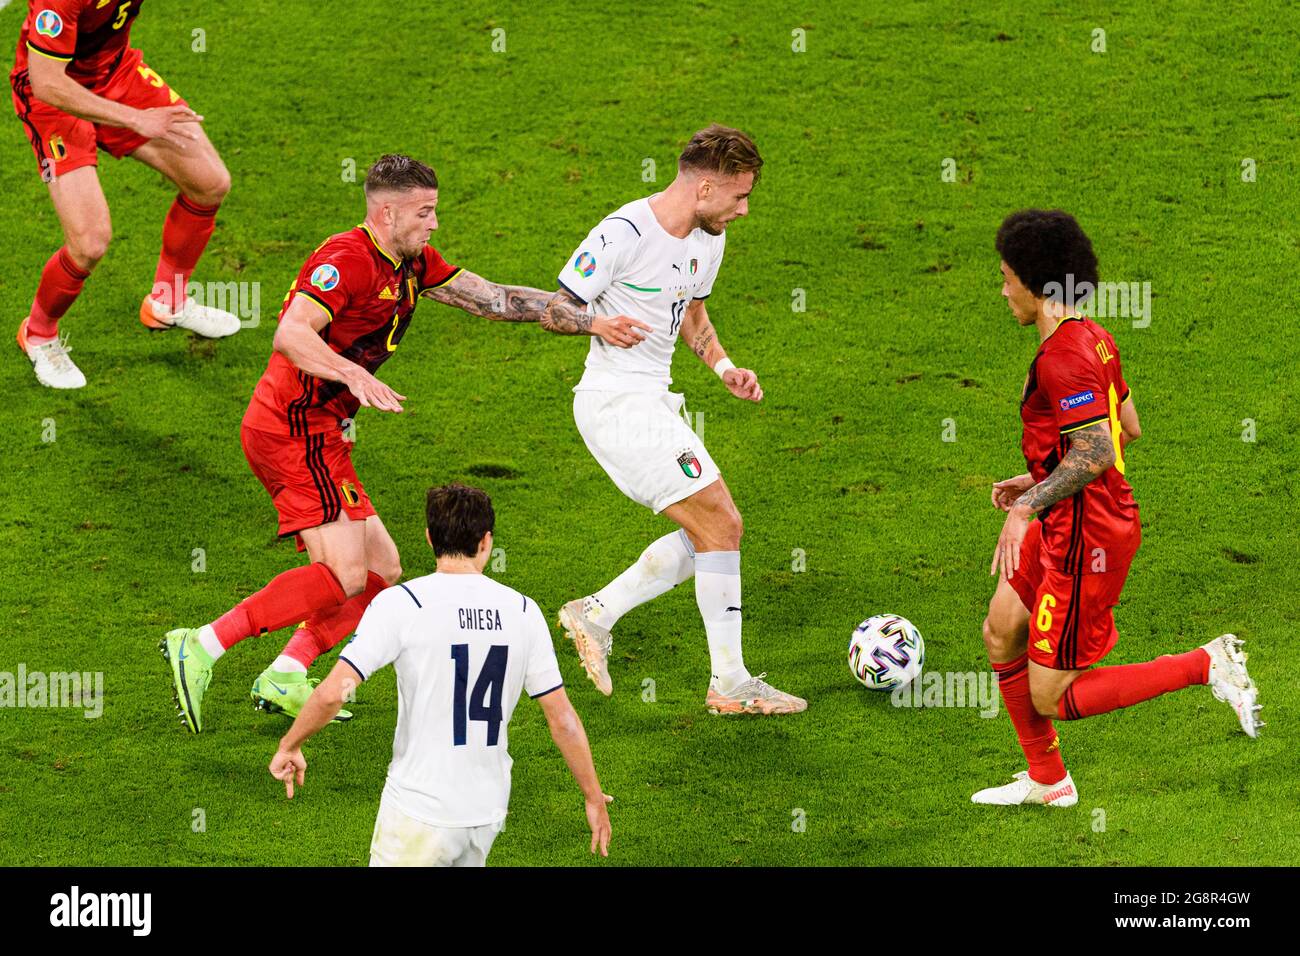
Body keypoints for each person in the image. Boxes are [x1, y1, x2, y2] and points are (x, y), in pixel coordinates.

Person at [161, 154, 645, 732]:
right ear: (387, 212)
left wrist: (590, 321)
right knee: (341, 575)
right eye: (425, 212)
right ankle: (204, 643)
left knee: (383, 570)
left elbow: (492, 299)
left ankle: (288, 671)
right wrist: (353, 374)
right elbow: (290, 333)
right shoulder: (346, 260)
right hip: (292, 427)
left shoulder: (410, 262)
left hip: (321, 432)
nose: (434, 223)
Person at [974, 208, 1261, 808]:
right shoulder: (1093, 337)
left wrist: (1026, 504)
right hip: (1070, 518)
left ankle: (1205, 664)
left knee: (1054, 694)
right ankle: (1049, 783)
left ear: (1038, 282)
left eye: (1007, 277)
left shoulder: (1063, 357)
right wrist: (1037, 474)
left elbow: (1100, 448)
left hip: (1088, 537)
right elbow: (1127, 425)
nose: (1002, 289)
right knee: (1002, 630)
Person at [542, 124, 805, 715]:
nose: (743, 210)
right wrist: (594, 323)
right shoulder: (624, 232)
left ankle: (597, 612)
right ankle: (729, 684)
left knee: (710, 532)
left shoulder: (708, 238)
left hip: (654, 400)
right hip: (615, 404)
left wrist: (724, 367)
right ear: (706, 186)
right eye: (738, 197)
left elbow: (691, 315)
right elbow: (555, 307)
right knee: (723, 524)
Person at [269, 483, 612, 866]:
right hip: (486, 812)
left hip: (418, 812)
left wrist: (290, 744)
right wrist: (593, 796)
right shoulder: (523, 611)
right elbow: (562, 719)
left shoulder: (403, 603)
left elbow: (334, 693)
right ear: (486, 542)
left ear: (430, 538)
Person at [11, 0, 241, 390]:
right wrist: (137, 119)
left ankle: (168, 301)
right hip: (53, 96)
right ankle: (39, 334)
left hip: (116, 73)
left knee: (209, 182)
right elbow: (47, 82)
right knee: (90, 243)